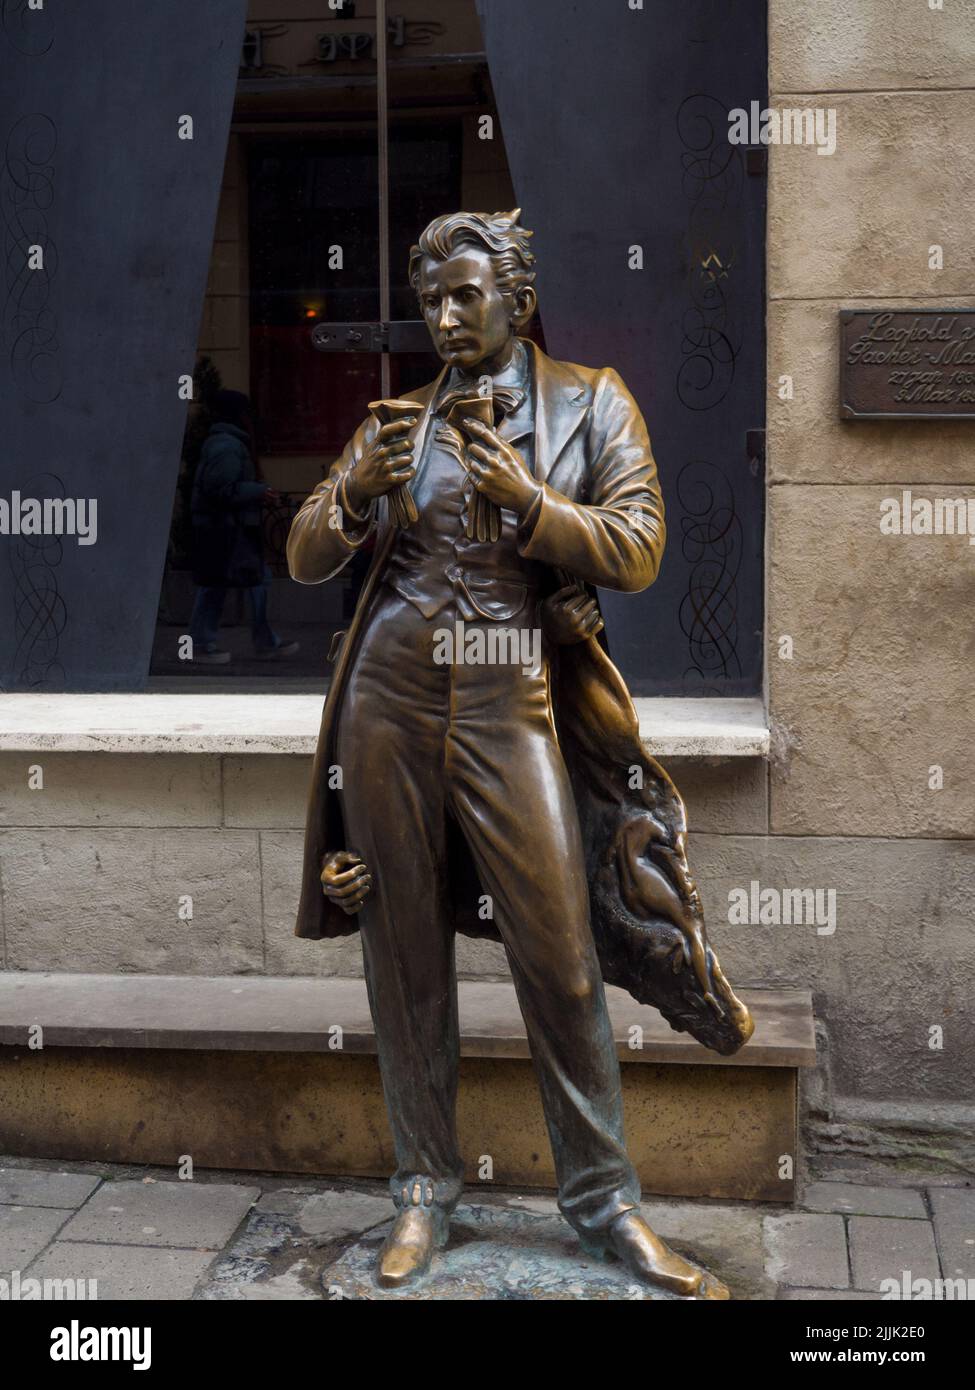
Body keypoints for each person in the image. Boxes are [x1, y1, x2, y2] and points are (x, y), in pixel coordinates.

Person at [287, 211, 747, 1297]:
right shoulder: (396, 418)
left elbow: (639, 545)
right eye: (433, 299)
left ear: (517, 299)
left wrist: (532, 505)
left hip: (512, 698)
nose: (446, 316)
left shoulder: (590, 400)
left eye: (467, 295)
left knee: (561, 951)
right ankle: (420, 1190)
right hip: (390, 700)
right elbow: (305, 551)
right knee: (402, 957)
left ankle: (605, 1202)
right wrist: (352, 489)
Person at [189, 389, 299, 664]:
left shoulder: (226, 443)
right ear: (239, 415)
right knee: (219, 584)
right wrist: (258, 492)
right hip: (225, 529)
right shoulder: (226, 446)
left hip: (230, 528)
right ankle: (201, 645)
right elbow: (220, 490)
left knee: (253, 580)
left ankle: (262, 642)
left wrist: (257, 492)